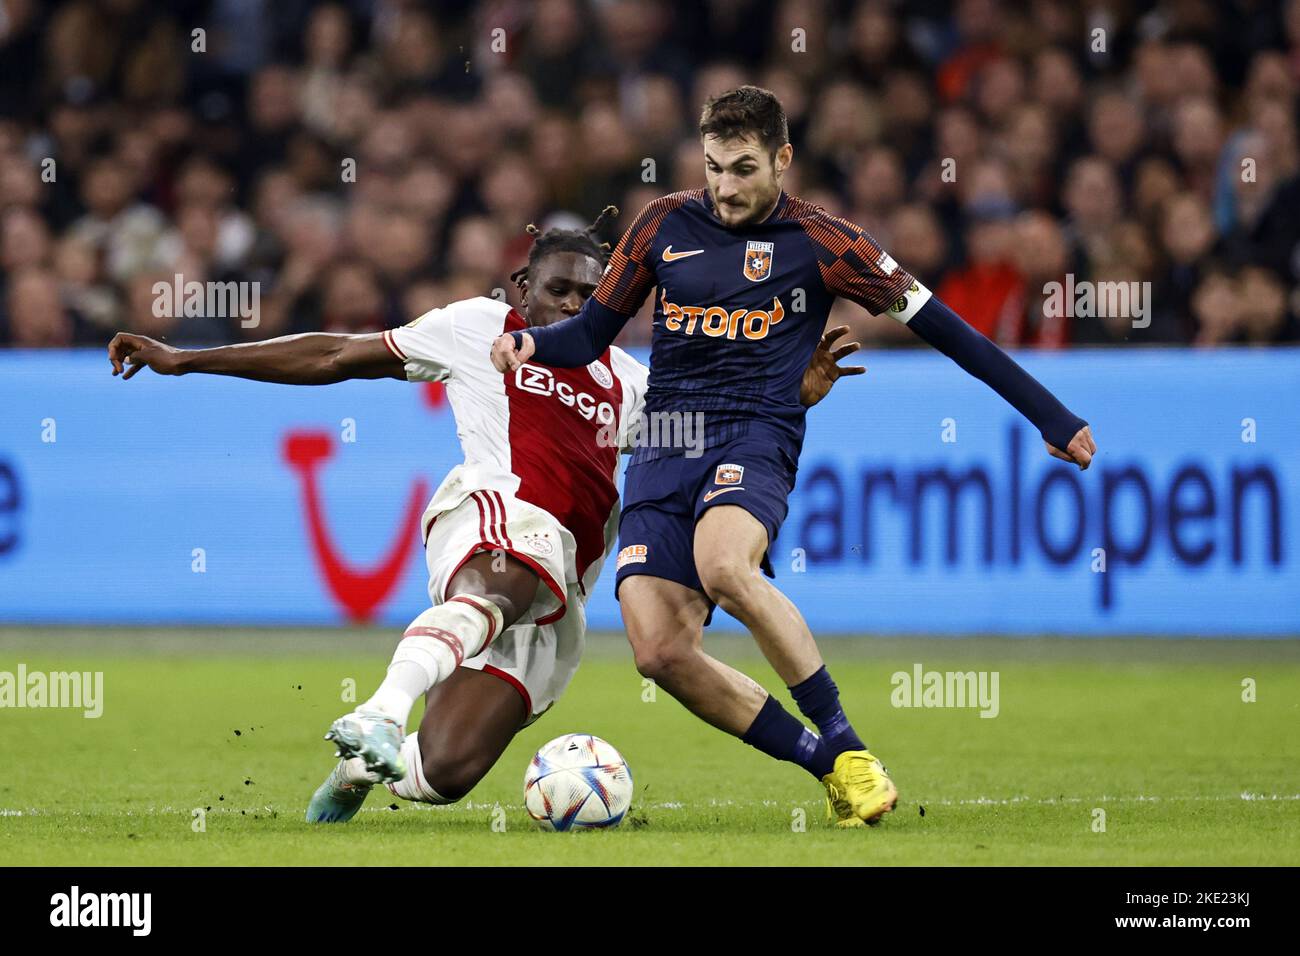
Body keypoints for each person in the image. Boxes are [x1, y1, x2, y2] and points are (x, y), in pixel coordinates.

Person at [106, 209, 864, 822]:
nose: (577, 306)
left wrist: (790, 394)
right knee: (508, 570)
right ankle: (378, 711)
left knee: (446, 770)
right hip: (492, 516)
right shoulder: (478, 329)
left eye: (592, 296)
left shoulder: (633, 387)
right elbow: (336, 355)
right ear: (520, 285)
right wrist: (188, 358)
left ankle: (364, 764)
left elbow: (713, 433)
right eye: (561, 290)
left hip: (560, 583)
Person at [492, 87, 1097, 827]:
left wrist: (1051, 415)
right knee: (657, 650)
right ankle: (825, 765)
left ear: (782, 159)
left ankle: (850, 745)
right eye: (714, 167)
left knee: (724, 564)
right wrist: (530, 342)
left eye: (744, 169)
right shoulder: (661, 225)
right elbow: (588, 334)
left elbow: (948, 330)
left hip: (757, 433)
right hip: (665, 443)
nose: (725, 187)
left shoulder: (827, 243)